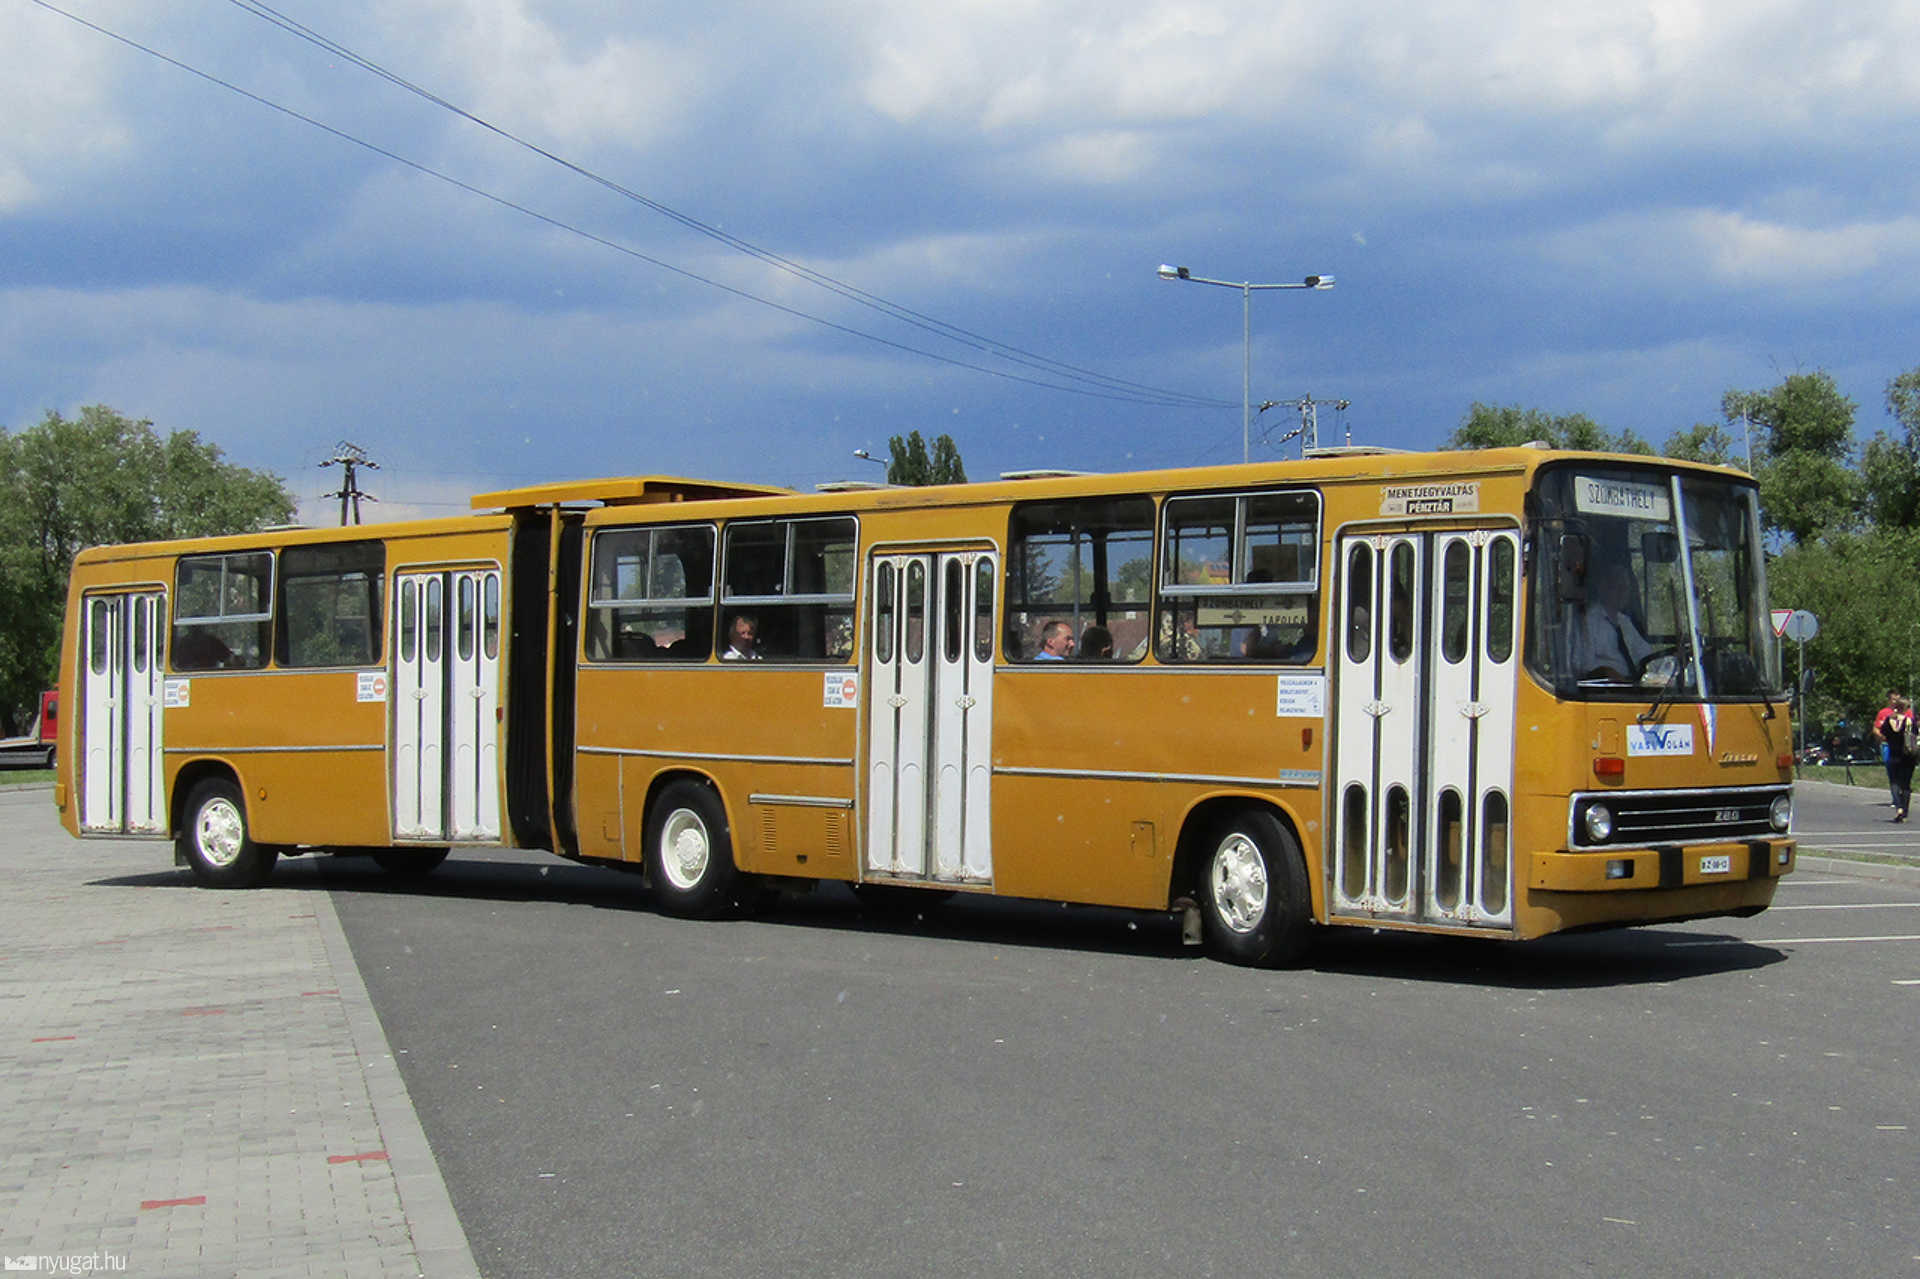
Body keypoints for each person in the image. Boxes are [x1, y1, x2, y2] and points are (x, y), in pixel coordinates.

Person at [1569, 561, 1656, 682]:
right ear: (1603, 588)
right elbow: (1582, 666)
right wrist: (1607, 673)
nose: (1623, 592)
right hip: (1604, 691)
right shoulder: (1589, 622)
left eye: (1626, 587)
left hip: (1631, 687)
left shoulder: (1625, 622)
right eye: (1618, 587)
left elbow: (1645, 655)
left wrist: (1664, 662)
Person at [1879, 695, 1914, 823]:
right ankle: (1904, 811)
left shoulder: (1889, 721)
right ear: (1905, 708)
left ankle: (1898, 806)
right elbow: (1914, 736)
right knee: (1906, 784)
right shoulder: (1909, 721)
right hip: (1908, 755)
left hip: (1893, 754)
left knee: (1894, 781)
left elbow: (1883, 733)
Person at [1875, 690, 1902, 807]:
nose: (1896, 701)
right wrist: (1881, 736)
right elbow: (1876, 728)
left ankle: (1903, 795)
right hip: (1887, 745)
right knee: (1891, 771)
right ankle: (1895, 798)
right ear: (1889, 700)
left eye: (1898, 699)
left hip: (1902, 745)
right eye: (1894, 699)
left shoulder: (1907, 712)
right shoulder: (1883, 713)